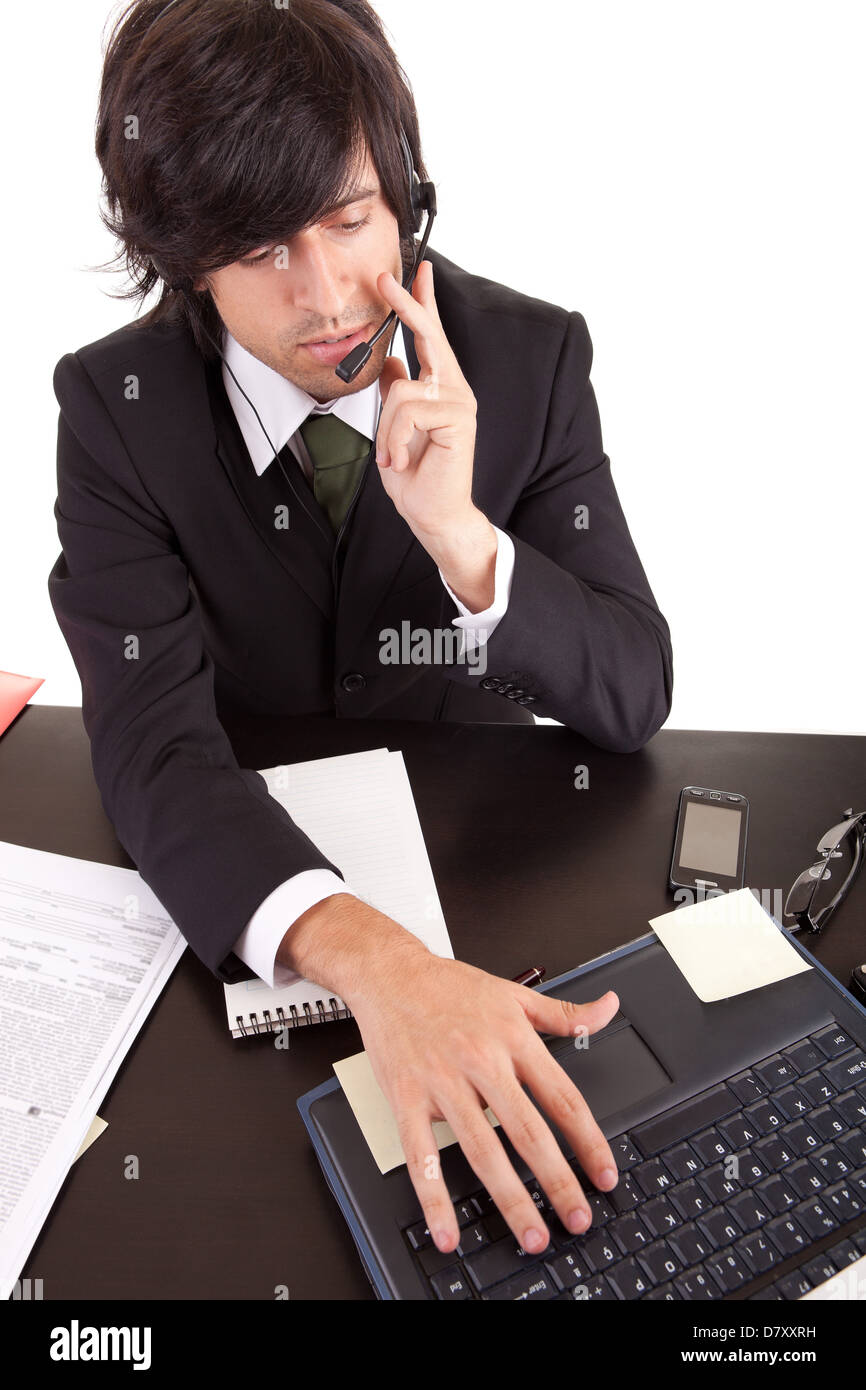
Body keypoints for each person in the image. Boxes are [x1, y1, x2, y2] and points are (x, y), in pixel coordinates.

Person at [48, 0, 673, 1263]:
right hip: (243, 904)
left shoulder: (529, 354)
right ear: (184, 253)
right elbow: (154, 748)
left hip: (495, 889)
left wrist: (466, 541)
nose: (327, 297)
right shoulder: (115, 407)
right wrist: (379, 967)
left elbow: (628, 689)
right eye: (263, 246)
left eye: (348, 221)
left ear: (401, 200)